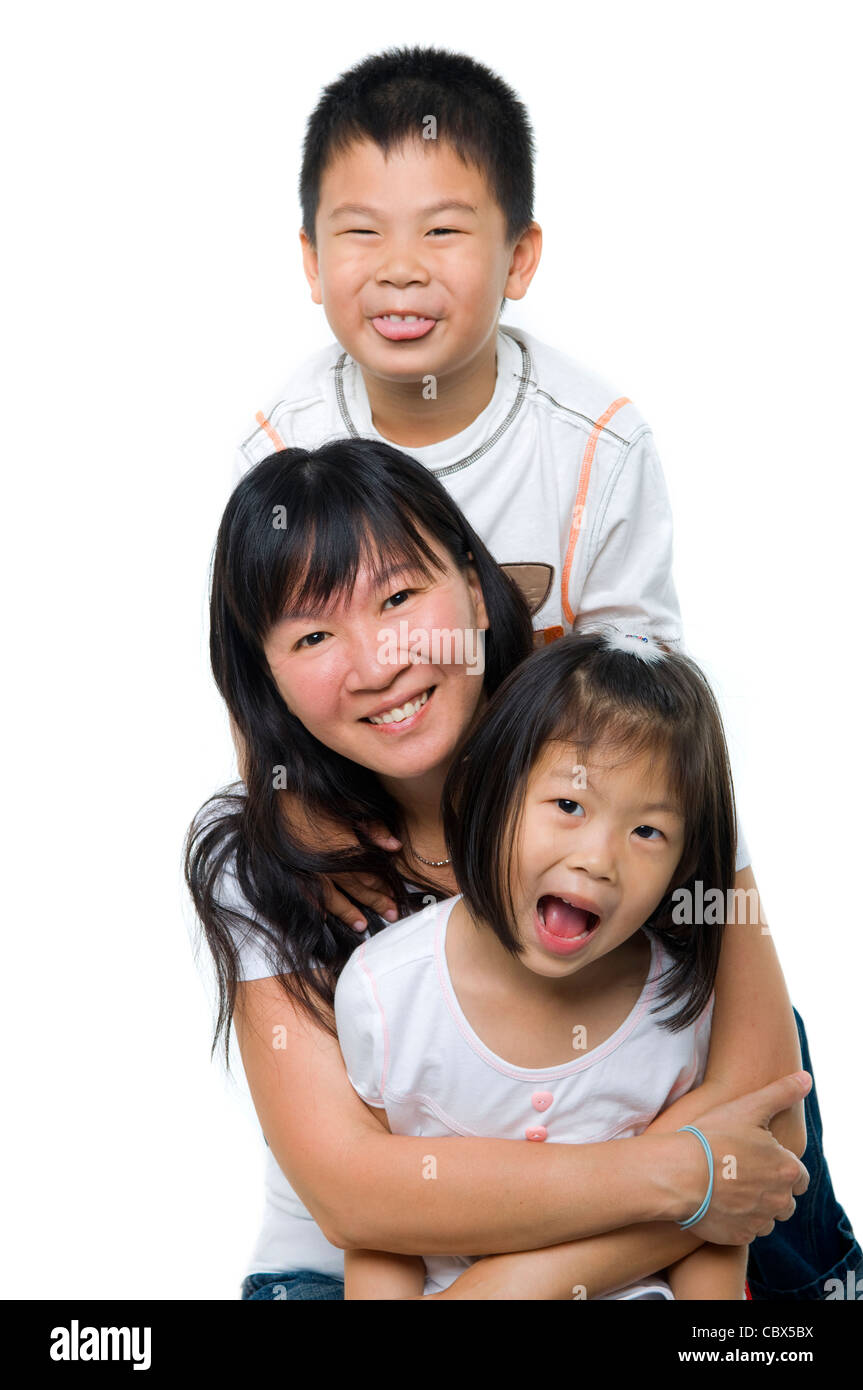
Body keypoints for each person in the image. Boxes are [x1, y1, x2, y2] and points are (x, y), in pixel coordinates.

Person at [186, 441, 816, 1301]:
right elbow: (357, 1197)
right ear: (267, 678)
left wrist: (523, 1284)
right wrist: (679, 1180)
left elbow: (768, 1092)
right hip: (355, 1277)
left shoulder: (627, 753)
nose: (378, 665)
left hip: (690, 1250)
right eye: (314, 635)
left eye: (400, 598)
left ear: (479, 592)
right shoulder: (267, 863)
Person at [336, 630, 769, 1300]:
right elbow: (380, 1230)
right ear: (493, 791)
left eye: (646, 832)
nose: (599, 858)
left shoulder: (678, 1007)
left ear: (684, 864)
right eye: (569, 805)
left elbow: (717, 1219)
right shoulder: (390, 993)